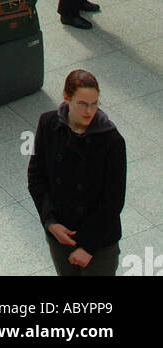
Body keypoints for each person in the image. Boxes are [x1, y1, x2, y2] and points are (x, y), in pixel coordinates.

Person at [28, 69, 126, 277]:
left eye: (94, 104)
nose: (89, 111)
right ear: (66, 98)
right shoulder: (48, 124)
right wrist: (50, 221)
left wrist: (88, 247)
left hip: (99, 243)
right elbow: (37, 177)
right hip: (61, 234)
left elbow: (113, 200)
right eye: (82, 103)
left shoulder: (112, 141)